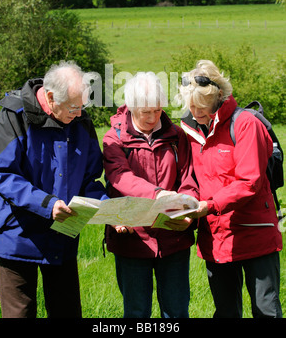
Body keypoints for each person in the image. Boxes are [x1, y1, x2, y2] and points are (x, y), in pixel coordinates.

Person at [0, 61, 108, 318]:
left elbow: (89, 179)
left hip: (62, 235)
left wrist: (108, 206)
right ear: (50, 97)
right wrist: (48, 204)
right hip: (16, 235)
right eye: (74, 107)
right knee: (20, 313)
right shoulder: (13, 117)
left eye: (82, 106)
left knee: (67, 312)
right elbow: (4, 175)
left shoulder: (80, 122)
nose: (79, 114)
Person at [178, 59, 283, 318]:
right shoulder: (190, 131)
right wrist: (189, 202)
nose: (195, 111)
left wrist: (210, 205)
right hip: (215, 236)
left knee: (265, 311)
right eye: (190, 106)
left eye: (201, 105)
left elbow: (250, 181)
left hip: (254, 232)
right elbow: (190, 177)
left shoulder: (246, 124)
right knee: (225, 312)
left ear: (218, 97)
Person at [103, 72, 198, 318]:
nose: (152, 117)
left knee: (176, 312)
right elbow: (120, 176)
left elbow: (188, 178)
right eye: (145, 112)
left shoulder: (177, 136)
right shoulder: (115, 138)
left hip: (173, 238)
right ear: (131, 107)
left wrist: (187, 207)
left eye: (157, 110)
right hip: (133, 238)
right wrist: (158, 195)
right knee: (136, 313)